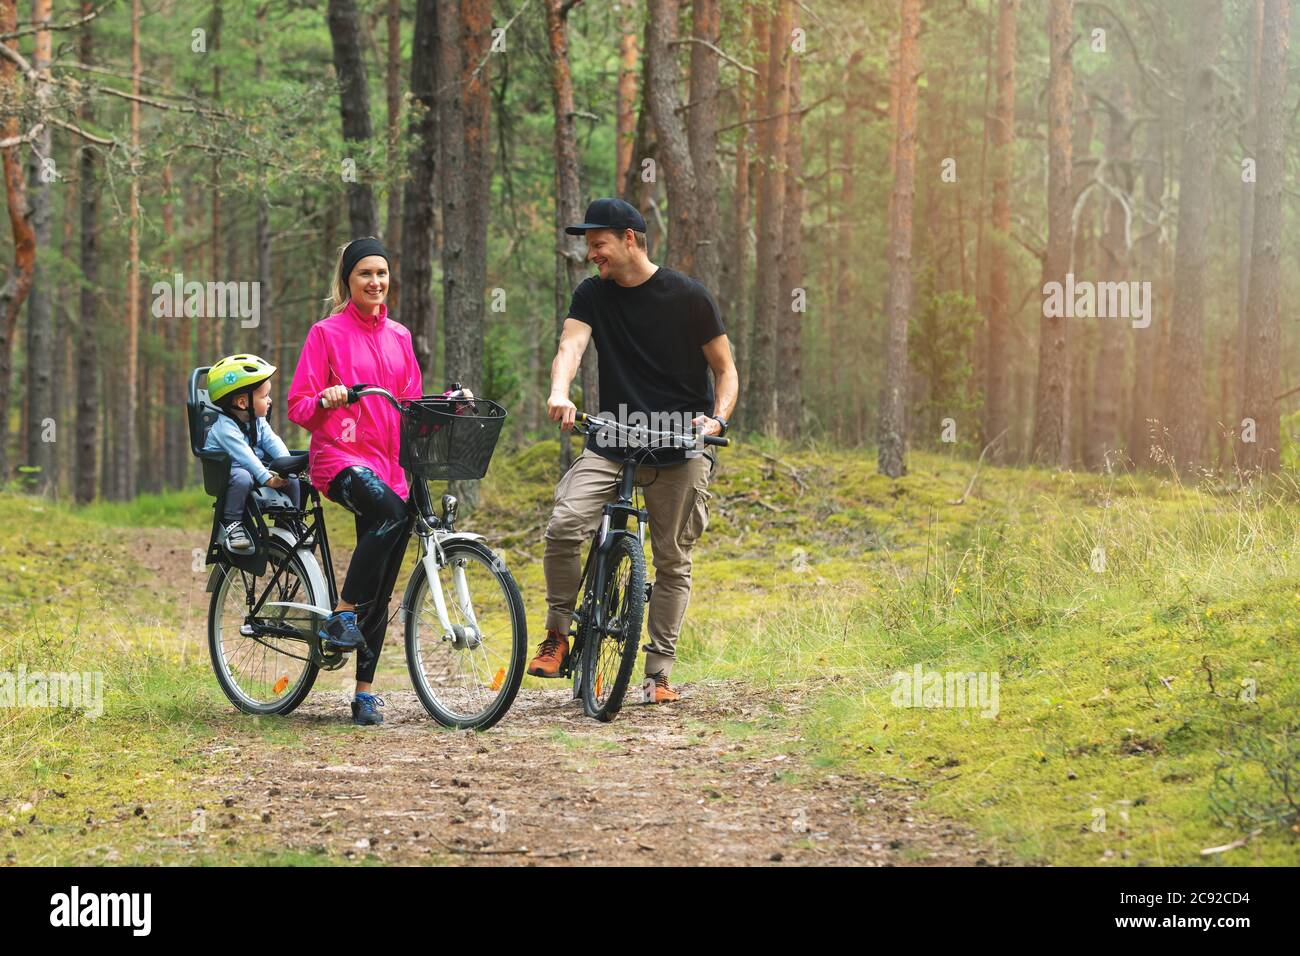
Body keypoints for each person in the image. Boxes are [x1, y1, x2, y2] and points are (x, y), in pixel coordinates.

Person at [528, 198, 738, 704]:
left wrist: (716, 419)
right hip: (614, 437)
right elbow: (571, 347)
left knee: (672, 559)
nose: (591, 255)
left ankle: (658, 673)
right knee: (564, 525)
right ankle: (558, 633)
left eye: (598, 244)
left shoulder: (688, 296)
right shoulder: (593, 295)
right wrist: (560, 390)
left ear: (629, 238)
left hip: (678, 441)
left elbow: (726, 370)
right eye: (588, 246)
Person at [286, 237, 422, 726]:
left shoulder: (401, 337)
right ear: (348, 280)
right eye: (365, 273)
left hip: (391, 469)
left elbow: (411, 406)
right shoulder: (325, 333)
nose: (376, 282)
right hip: (339, 458)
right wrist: (329, 398)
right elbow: (298, 405)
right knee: (388, 513)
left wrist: (453, 400)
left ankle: (364, 693)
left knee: (382, 586)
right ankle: (343, 613)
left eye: (382, 273)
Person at [203, 353, 301, 556]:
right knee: (242, 478)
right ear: (242, 402)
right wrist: (266, 478)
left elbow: (272, 441)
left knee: (291, 476)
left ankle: (291, 520)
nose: (270, 400)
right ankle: (232, 525)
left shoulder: (257, 420)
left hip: (253, 466)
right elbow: (245, 455)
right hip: (228, 471)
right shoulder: (224, 429)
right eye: (264, 396)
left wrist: (286, 464)